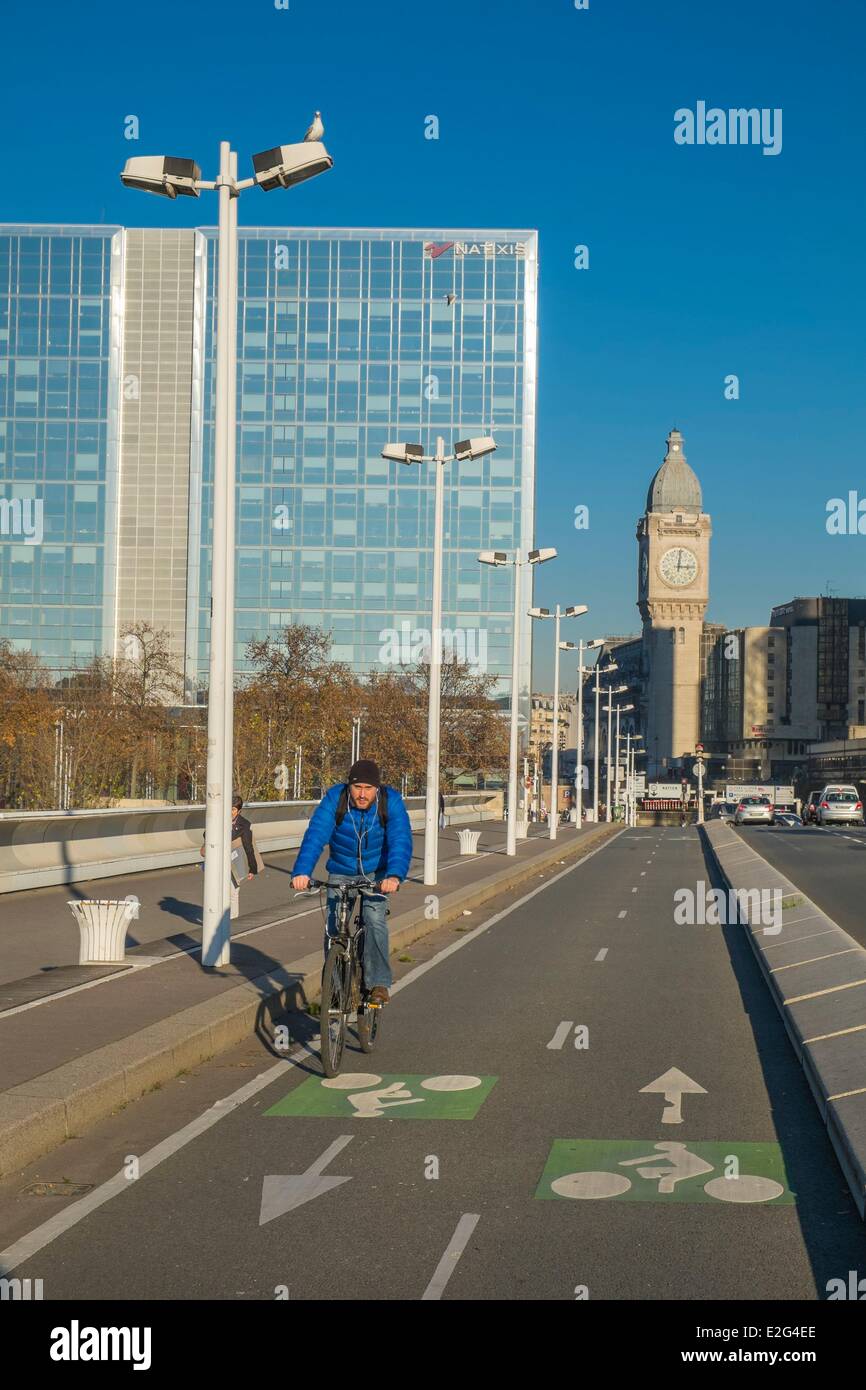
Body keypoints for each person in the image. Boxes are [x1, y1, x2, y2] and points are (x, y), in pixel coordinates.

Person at [291, 759, 412, 1005]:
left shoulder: (392, 802)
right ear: (350, 786)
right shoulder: (335, 799)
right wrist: (302, 872)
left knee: (374, 919)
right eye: (358, 788)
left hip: (377, 874)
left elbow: (400, 839)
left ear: (377, 788)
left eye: (368, 788)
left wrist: (394, 876)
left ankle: (378, 982)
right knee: (334, 928)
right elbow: (316, 835)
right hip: (341, 871)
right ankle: (336, 987)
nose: (362, 794)